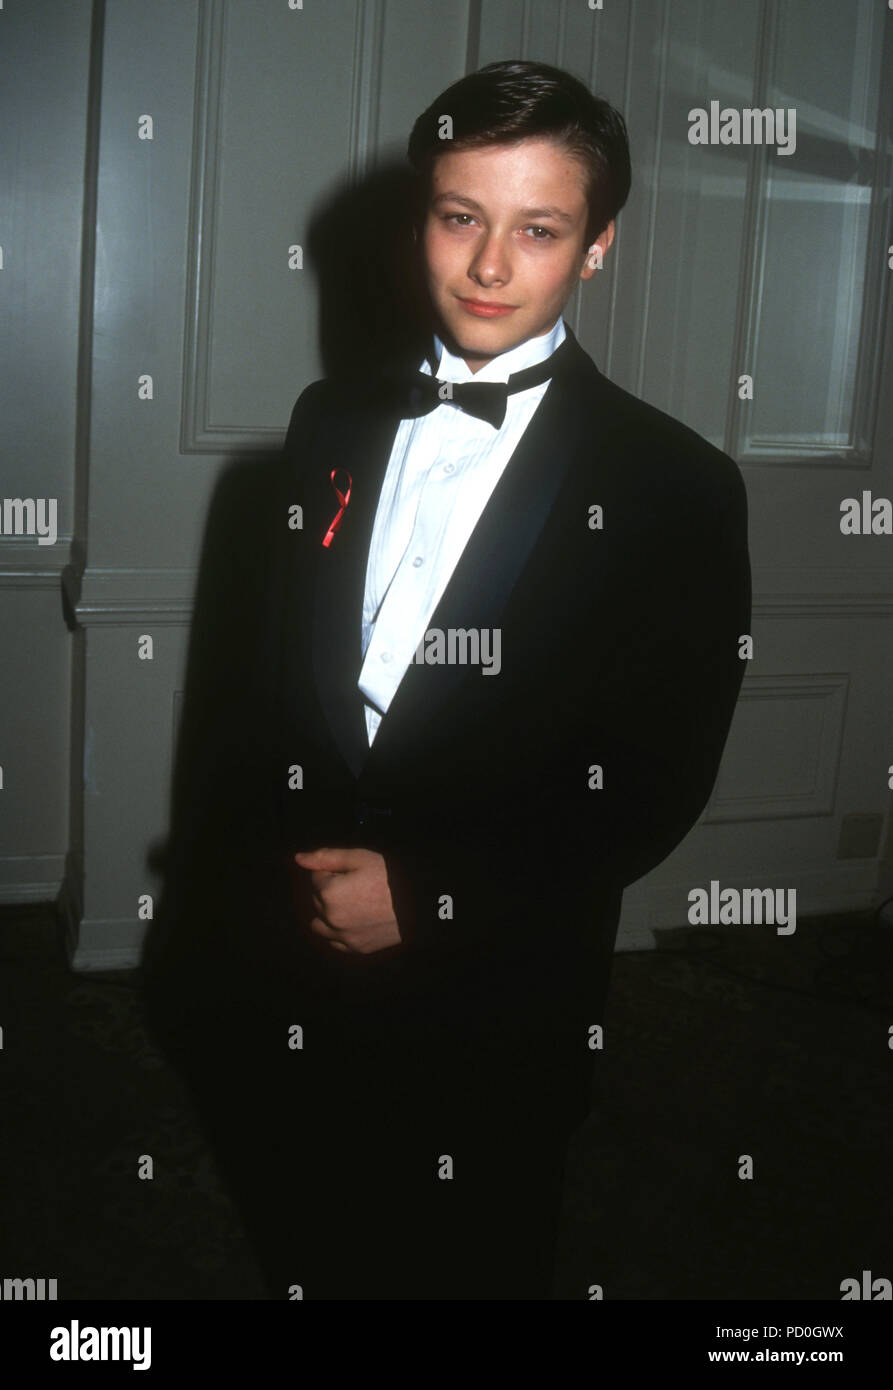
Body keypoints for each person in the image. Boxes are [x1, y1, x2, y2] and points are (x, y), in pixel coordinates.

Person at [141, 59, 751, 1300]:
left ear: (595, 248)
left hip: (496, 998)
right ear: (418, 216)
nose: (487, 266)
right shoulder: (329, 423)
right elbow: (267, 700)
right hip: (291, 967)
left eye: (538, 228)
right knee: (309, 1234)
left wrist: (430, 897)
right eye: (460, 216)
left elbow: (651, 782)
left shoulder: (674, 486)